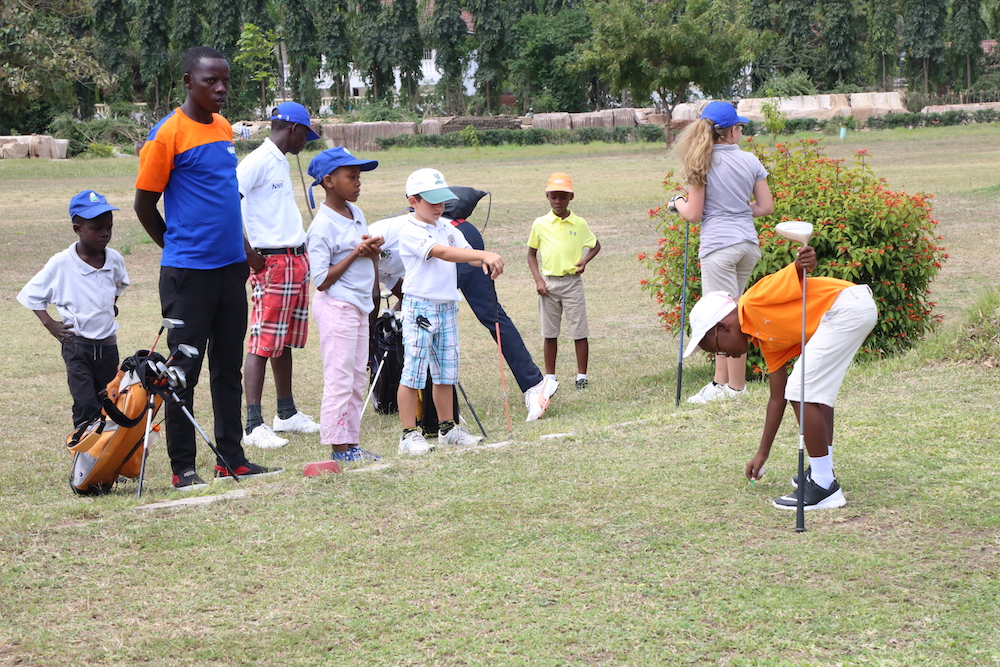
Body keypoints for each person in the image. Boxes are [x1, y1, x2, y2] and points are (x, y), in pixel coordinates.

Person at [134, 46, 280, 491]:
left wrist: (242, 252)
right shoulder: (166, 135)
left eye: (224, 81)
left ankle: (231, 459)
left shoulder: (221, 128)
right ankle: (184, 467)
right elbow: (144, 205)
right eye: (209, 81)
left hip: (230, 270)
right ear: (187, 82)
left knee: (227, 367)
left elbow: (222, 201)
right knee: (182, 372)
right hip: (187, 275)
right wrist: (178, 248)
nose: (220, 89)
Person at [683, 245, 878, 510]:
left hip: (846, 308)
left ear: (721, 327)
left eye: (717, 347)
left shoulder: (754, 301)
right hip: (851, 310)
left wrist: (804, 260)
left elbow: (798, 271)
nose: (724, 354)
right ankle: (823, 471)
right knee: (812, 393)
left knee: (803, 389)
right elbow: (777, 399)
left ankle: (824, 486)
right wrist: (762, 453)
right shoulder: (765, 339)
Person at [670, 100, 774, 404]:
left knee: (727, 320)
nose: (740, 131)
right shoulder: (750, 161)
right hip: (746, 245)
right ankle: (720, 384)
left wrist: (676, 202)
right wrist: (738, 210)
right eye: (740, 127)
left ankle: (735, 388)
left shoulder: (700, 162)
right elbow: (765, 207)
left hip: (718, 248)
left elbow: (693, 213)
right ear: (730, 132)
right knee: (728, 316)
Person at [396, 168, 505, 455]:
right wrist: (482, 255)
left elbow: (465, 252)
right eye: (432, 201)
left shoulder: (446, 227)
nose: (439, 207)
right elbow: (443, 253)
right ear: (413, 200)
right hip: (420, 306)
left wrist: (484, 262)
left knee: (446, 372)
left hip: (446, 306)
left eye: (442, 200)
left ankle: (448, 430)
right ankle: (408, 434)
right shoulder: (410, 229)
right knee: (414, 372)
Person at [237, 101, 322, 450]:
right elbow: (227, 201)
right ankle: (253, 423)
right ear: (293, 129)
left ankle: (285, 413)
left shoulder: (281, 162)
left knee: (282, 340)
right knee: (262, 341)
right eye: (306, 134)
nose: (307, 141)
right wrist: (247, 254)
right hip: (271, 262)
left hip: (294, 260)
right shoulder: (258, 161)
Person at [18, 190, 129, 430]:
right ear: (77, 228)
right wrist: (51, 324)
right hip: (77, 346)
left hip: (108, 346)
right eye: (97, 228)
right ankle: (84, 458)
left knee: (109, 400)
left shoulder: (114, 259)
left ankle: (106, 458)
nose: (105, 233)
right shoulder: (62, 263)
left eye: (108, 227)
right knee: (85, 403)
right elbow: (32, 294)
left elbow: (120, 283)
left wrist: (110, 303)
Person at [446, 187, 557, 421]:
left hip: (460, 239)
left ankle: (535, 384)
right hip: (456, 238)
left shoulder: (456, 229)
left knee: (490, 314)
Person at [305, 147, 385, 464]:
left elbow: (366, 254)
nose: (358, 182)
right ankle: (339, 448)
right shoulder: (321, 227)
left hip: (358, 306)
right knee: (339, 379)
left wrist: (372, 253)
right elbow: (321, 279)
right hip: (336, 307)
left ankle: (351, 444)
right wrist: (356, 252)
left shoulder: (355, 212)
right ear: (328, 181)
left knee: (356, 378)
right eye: (351, 177)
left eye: (359, 177)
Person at [527, 172, 601, 391]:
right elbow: (531, 254)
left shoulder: (579, 224)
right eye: (553, 197)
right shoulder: (540, 224)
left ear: (571, 197)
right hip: (548, 284)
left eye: (563, 197)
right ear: (547, 197)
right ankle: (550, 376)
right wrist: (538, 279)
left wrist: (585, 260)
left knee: (579, 330)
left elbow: (595, 245)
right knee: (549, 332)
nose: (558, 201)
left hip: (572, 283)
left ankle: (581, 375)